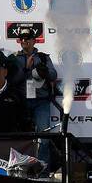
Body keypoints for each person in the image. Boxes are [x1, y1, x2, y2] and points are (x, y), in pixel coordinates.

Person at [13, 31, 59, 167]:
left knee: (44, 138)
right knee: (21, 138)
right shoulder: (14, 58)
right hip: (21, 103)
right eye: (22, 39)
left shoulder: (43, 57)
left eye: (28, 38)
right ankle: (20, 168)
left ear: (34, 41)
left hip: (41, 102)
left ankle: (43, 169)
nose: (25, 41)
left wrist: (44, 71)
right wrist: (26, 68)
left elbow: (53, 74)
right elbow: (12, 80)